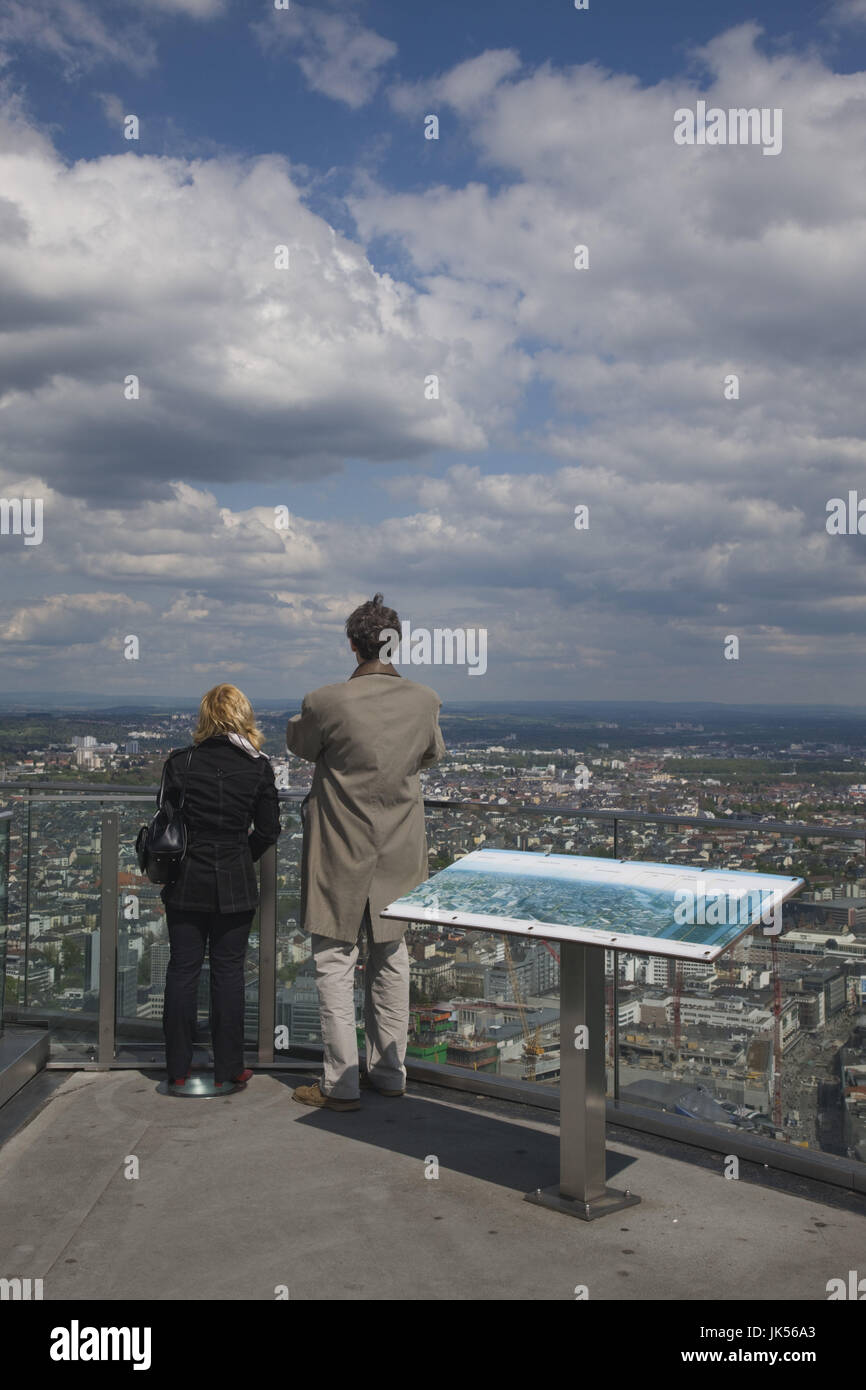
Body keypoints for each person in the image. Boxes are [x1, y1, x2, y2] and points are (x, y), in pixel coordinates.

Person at [286, 594, 445, 1111]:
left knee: (335, 958)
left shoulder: (326, 700)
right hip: (399, 847)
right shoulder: (425, 700)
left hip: (338, 847)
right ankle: (390, 1072)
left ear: (352, 646)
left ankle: (341, 1082)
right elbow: (431, 754)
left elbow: (301, 745)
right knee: (391, 956)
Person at [159, 684, 281, 1088]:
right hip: (235, 881)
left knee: (182, 971)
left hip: (186, 881)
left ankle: (177, 1069)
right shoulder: (259, 766)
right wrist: (240, 857)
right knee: (228, 974)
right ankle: (230, 1067)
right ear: (243, 715)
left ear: (205, 717)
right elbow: (268, 830)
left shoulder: (181, 762)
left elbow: (166, 824)